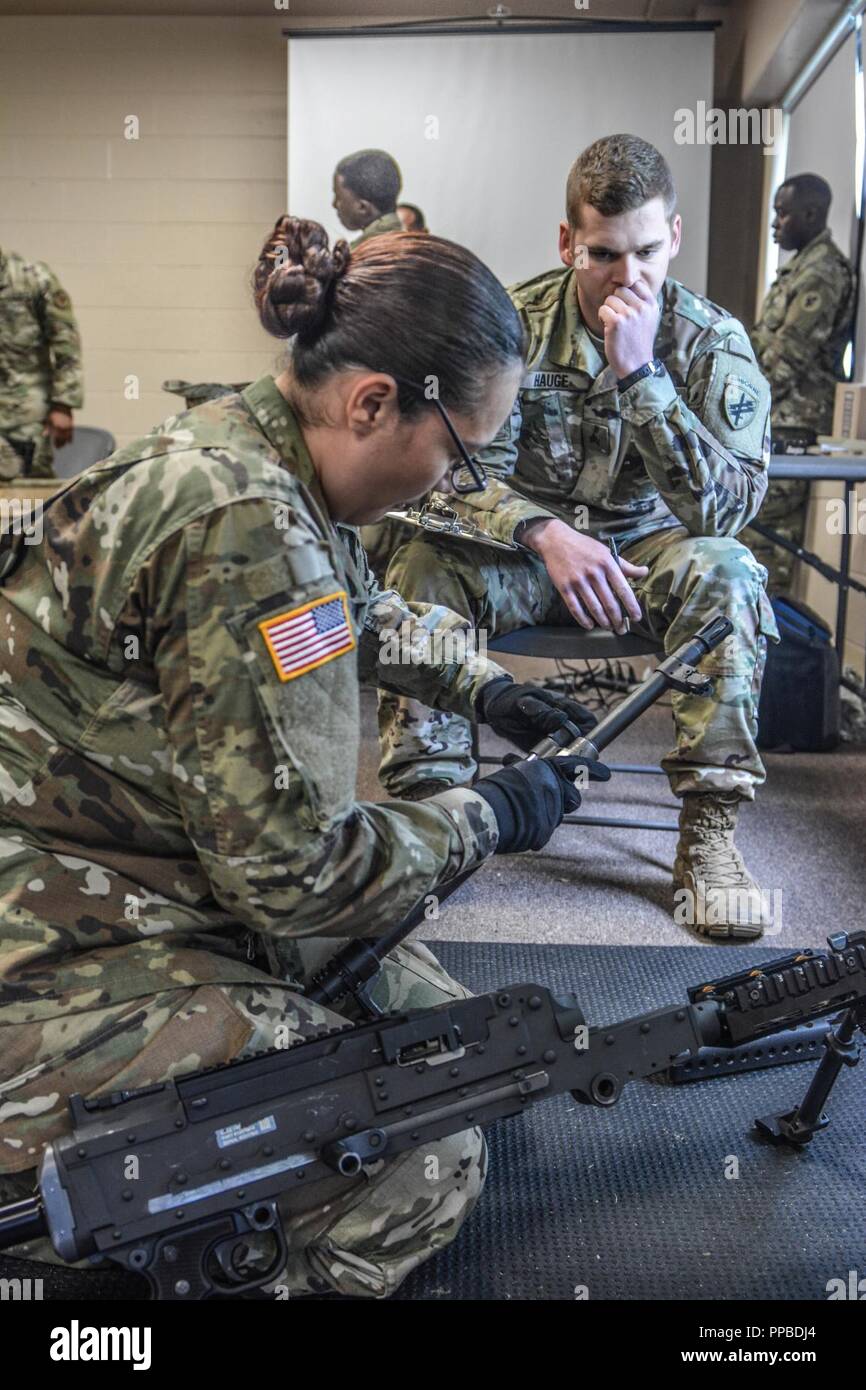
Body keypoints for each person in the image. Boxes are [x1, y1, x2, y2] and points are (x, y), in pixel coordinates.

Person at [0, 217, 604, 1298]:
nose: (448, 484)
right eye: (459, 451)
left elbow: (351, 616)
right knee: (421, 1157)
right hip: (50, 929)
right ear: (374, 402)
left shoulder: (256, 449)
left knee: (461, 1051)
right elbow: (292, 875)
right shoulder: (239, 517)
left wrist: (492, 690)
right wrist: (490, 813)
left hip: (151, 870)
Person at [377, 134, 777, 939]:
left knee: (730, 571)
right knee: (420, 565)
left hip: (652, 556)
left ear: (675, 238)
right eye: (603, 254)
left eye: (648, 251)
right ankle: (432, 819)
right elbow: (449, 475)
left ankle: (708, 835)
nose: (629, 278)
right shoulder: (510, 329)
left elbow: (726, 512)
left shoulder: (712, 344)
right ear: (567, 243)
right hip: (526, 556)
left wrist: (642, 379)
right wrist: (543, 532)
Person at [746, 173, 856, 593]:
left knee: (765, 542)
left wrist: (735, 402)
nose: (776, 223)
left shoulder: (821, 274)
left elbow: (784, 361)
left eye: (783, 213)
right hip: (776, 421)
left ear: (811, 214)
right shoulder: (800, 268)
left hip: (796, 423)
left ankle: (777, 650)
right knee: (751, 536)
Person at [0, 244, 83, 480]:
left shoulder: (33, 279)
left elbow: (66, 343)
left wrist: (63, 404)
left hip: (26, 415)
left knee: (27, 502)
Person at [332, 149, 403, 247]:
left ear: (362, 207)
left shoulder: (362, 256)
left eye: (338, 197)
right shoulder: (415, 245)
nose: (334, 204)